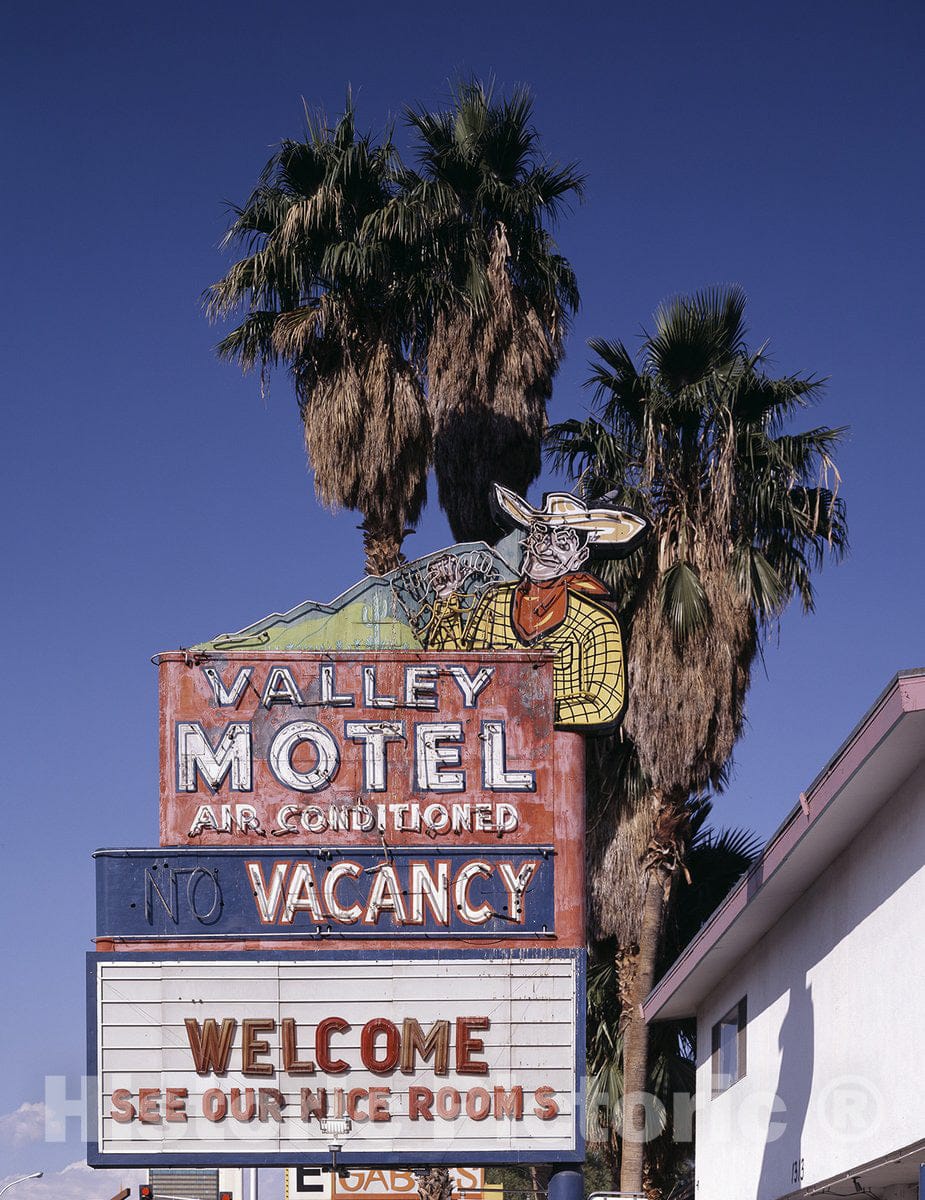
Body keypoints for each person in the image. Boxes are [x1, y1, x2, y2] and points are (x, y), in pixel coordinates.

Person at [423, 485, 647, 732]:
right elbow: (451, 673)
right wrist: (446, 597)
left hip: (552, 761)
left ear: (580, 556)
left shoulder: (597, 622)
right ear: (528, 539)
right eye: (541, 534)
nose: (545, 548)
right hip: (482, 752)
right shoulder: (494, 600)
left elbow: (605, 704)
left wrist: (525, 709)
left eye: (562, 541)